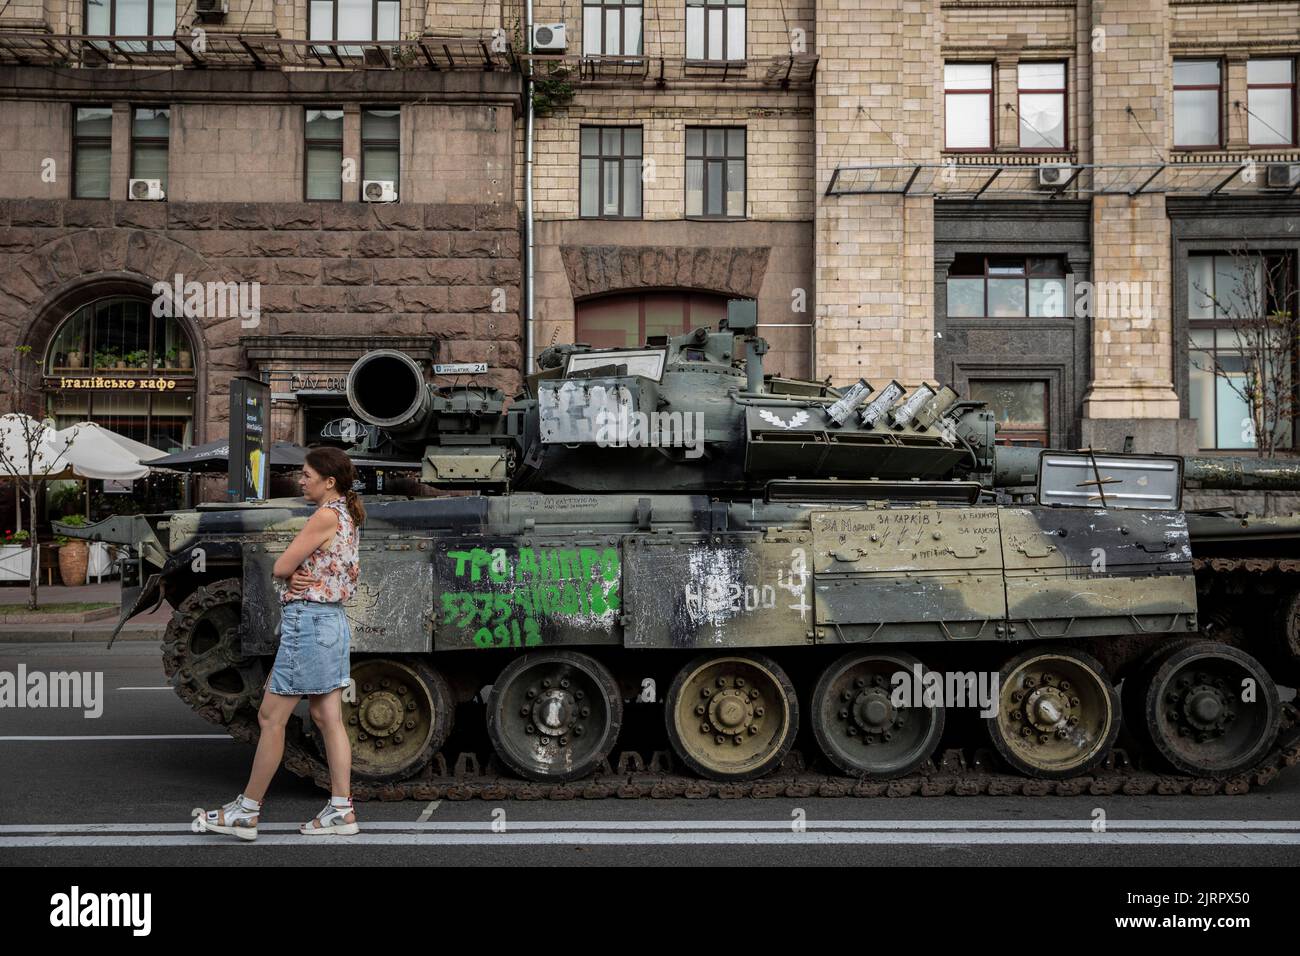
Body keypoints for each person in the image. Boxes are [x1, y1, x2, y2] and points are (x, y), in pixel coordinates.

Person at [196, 446, 365, 840]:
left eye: (307, 475)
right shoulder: (348, 514)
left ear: (329, 481)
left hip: (308, 623)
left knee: (271, 719)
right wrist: (297, 577)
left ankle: (247, 811)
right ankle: (341, 810)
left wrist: (290, 576)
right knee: (328, 719)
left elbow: (281, 566)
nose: (301, 480)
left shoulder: (324, 515)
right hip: (332, 622)